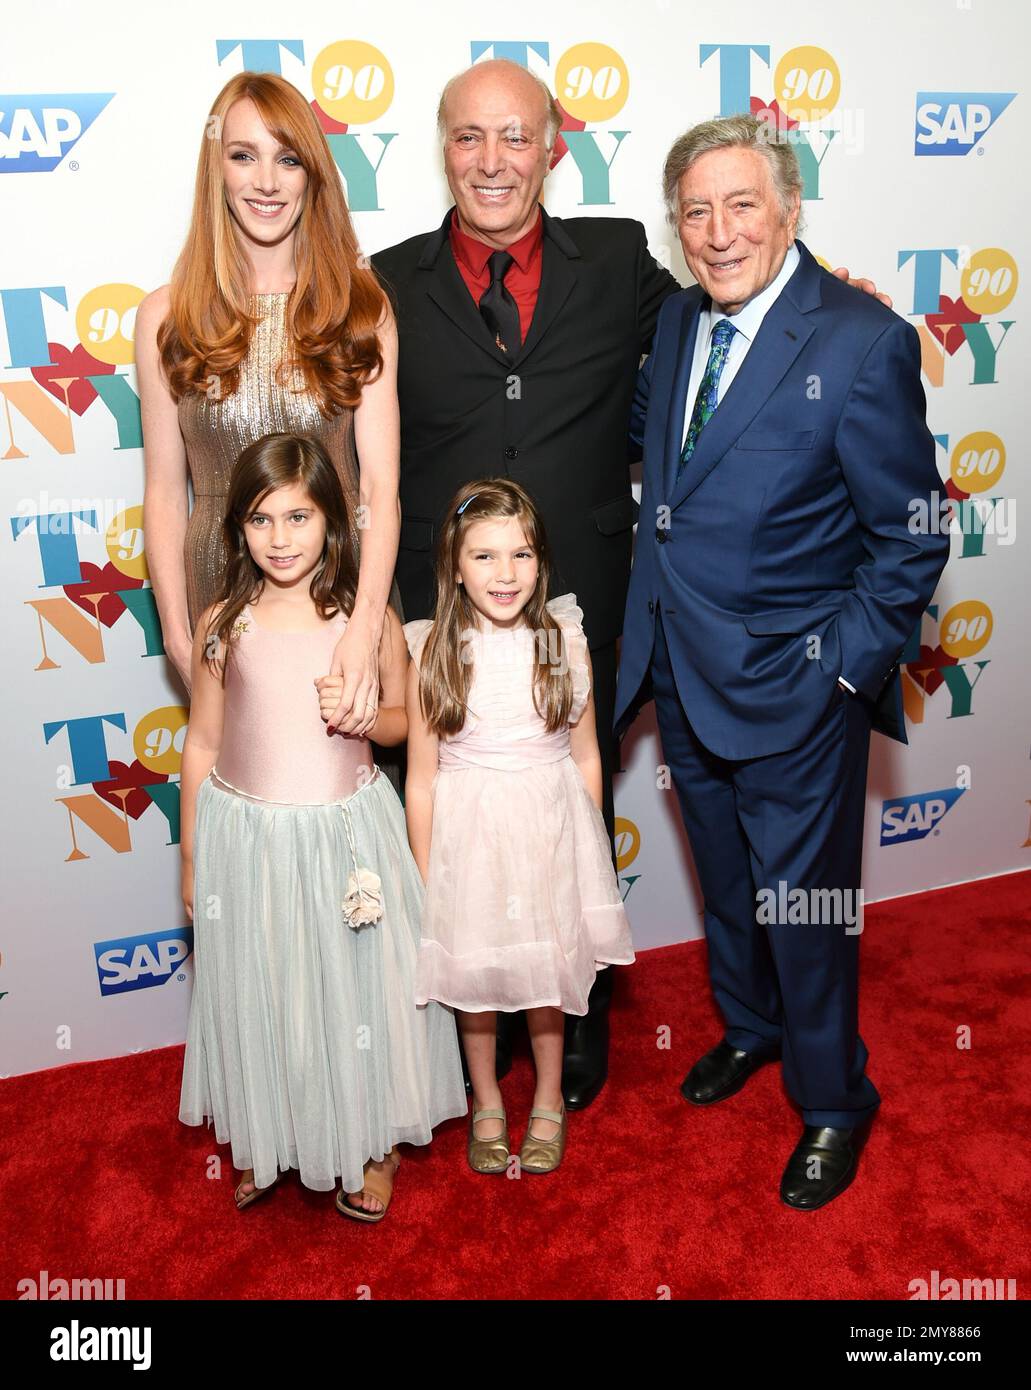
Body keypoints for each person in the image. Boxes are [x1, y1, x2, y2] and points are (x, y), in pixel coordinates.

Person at [372, 57, 889, 1108]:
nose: (492, 159)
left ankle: (593, 1019)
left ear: (551, 147)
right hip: (442, 623)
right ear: (442, 149)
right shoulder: (381, 280)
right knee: (462, 828)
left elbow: (751, 293)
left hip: (594, 612)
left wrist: (842, 306)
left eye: (514, 136)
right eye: (469, 137)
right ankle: (474, 1038)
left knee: (570, 816)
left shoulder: (616, 261)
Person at [614, 115, 950, 1209]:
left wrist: (835, 675)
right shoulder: (672, 325)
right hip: (682, 675)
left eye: (739, 204)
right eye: (695, 211)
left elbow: (909, 531)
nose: (716, 234)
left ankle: (830, 1101)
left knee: (804, 914)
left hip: (797, 697)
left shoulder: (858, 340)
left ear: (790, 209)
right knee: (727, 893)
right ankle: (750, 1032)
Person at [178, 432, 466, 1222]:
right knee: (264, 988)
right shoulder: (223, 622)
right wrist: (194, 863)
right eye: (262, 521)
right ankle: (264, 1133)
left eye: (299, 518)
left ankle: (371, 1144)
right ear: (238, 527)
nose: (281, 539)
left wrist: (371, 712)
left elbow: (408, 726)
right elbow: (203, 743)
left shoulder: (361, 620)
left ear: (332, 521)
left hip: (345, 842)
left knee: (355, 998)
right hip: (250, 844)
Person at [137, 70, 400, 753]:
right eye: (243, 155)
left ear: (312, 174)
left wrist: (367, 628)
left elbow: (377, 488)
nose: (266, 181)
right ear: (215, 167)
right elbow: (166, 492)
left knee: (352, 812)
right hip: (216, 587)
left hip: (343, 584)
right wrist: (175, 629)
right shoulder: (166, 316)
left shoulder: (361, 306)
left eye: (287, 159)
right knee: (245, 802)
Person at [402, 480, 635, 1174]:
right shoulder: (431, 648)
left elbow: (587, 753)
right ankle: (486, 1104)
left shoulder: (563, 637)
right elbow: (421, 776)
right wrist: (423, 873)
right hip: (467, 838)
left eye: (521, 555)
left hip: (547, 829)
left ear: (541, 561)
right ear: (453, 563)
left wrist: (585, 845)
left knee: (545, 976)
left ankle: (548, 1104)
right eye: (484, 557)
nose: (505, 574)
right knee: (472, 984)